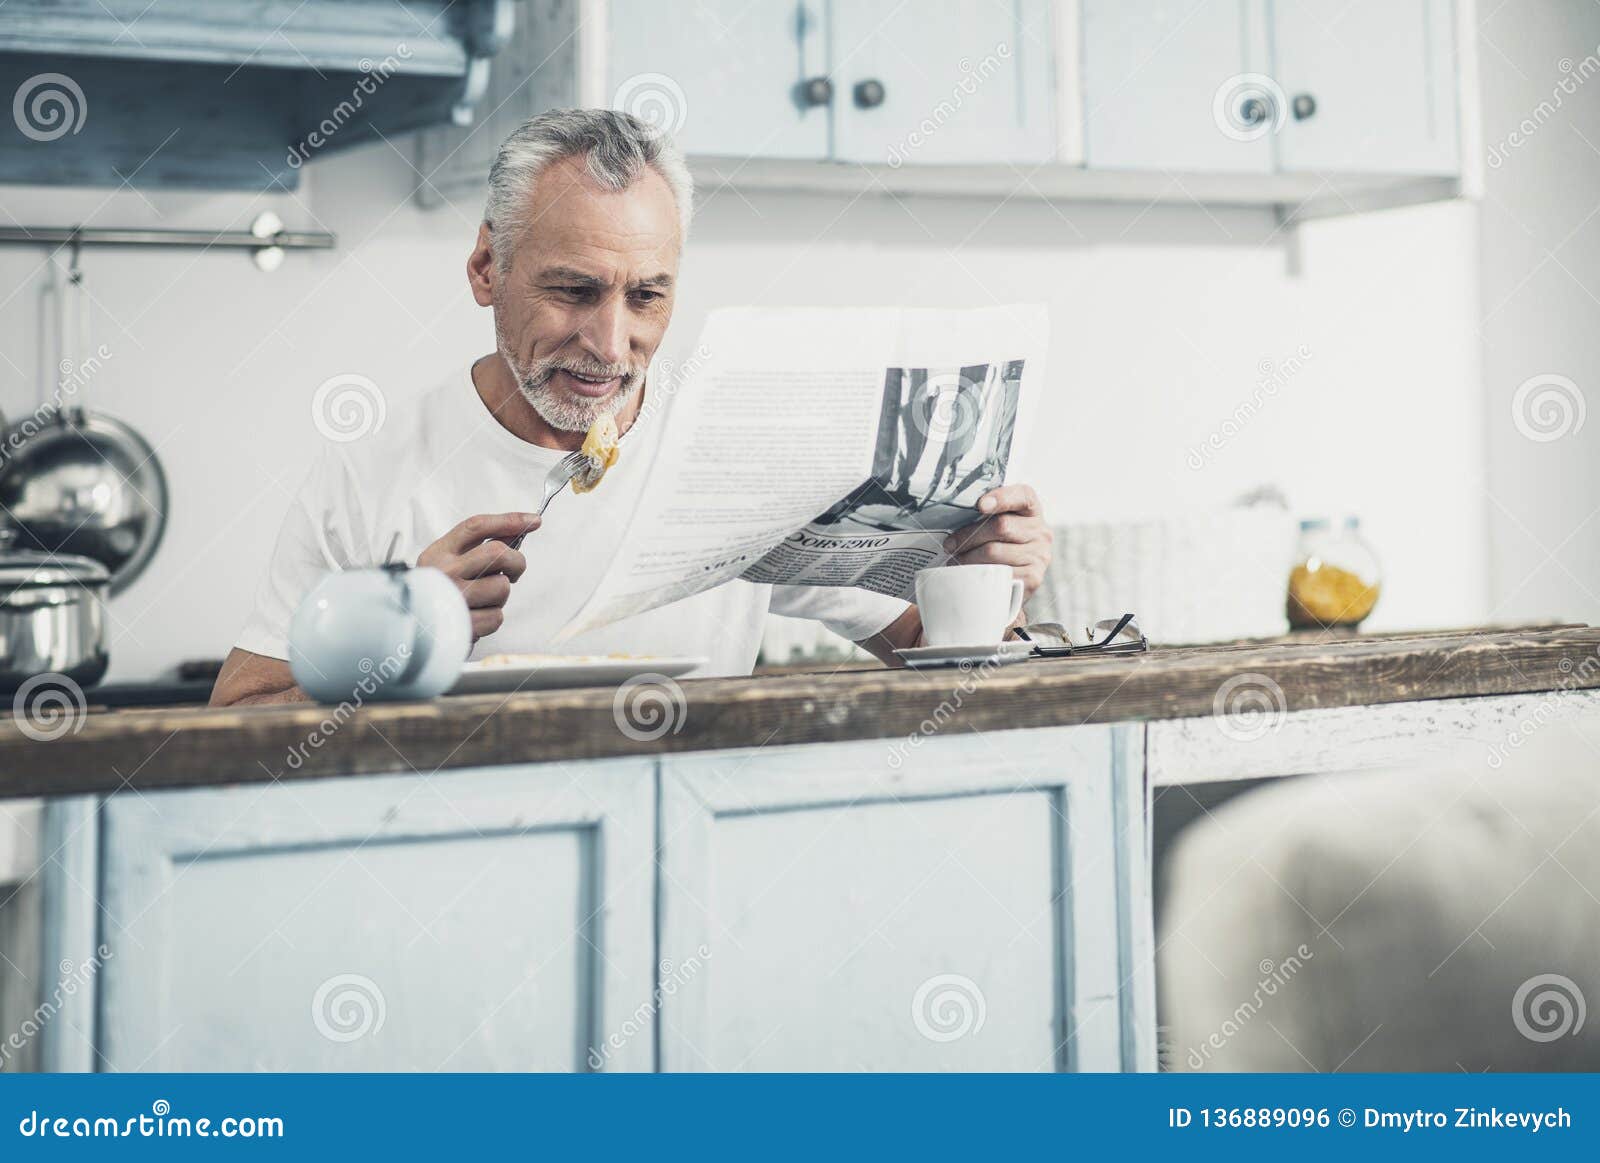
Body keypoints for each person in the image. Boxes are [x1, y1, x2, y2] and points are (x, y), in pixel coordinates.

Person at [210, 109, 1053, 707]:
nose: (612, 346)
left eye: (646, 297)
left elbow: (946, 664)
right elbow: (231, 732)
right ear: (484, 268)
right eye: (573, 291)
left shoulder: (742, 451)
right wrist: (400, 638)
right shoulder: (372, 468)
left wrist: (980, 588)